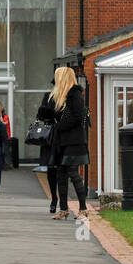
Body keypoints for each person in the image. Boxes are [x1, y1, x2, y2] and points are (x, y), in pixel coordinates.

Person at [47, 67, 91, 221]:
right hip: (62, 141)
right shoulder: (60, 95)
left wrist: (60, 125)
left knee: (73, 174)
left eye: (57, 77)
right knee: (61, 175)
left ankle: (83, 208)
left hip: (74, 141)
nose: (55, 80)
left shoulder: (75, 94)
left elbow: (78, 117)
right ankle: (64, 209)